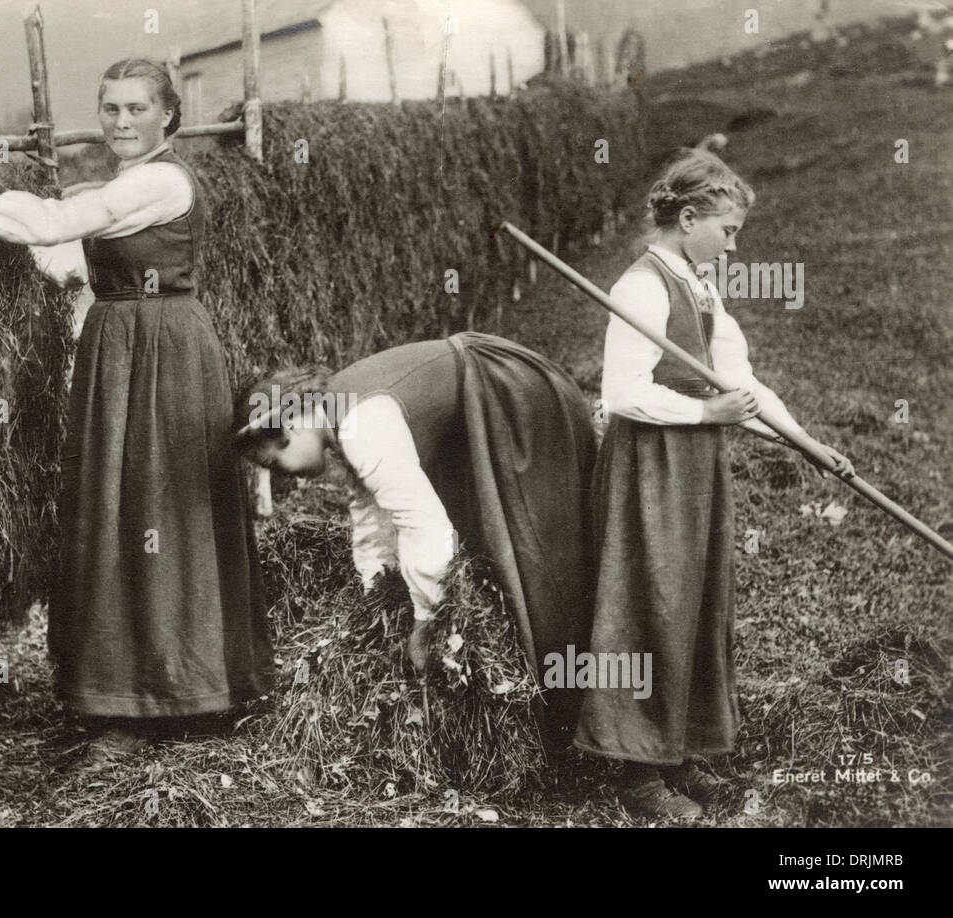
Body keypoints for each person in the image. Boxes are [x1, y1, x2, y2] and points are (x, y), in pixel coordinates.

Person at [0, 59, 274, 763]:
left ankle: (177, 694)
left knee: (162, 509)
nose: (122, 123)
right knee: (119, 507)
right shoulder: (129, 186)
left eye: (137, 109)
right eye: (110, 110)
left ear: (169, 116)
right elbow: (67, 247)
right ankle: (126, 693)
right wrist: (6, 235)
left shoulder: (161, 181)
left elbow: (65, 218)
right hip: (121, 347)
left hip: (164, 351)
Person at [573, 148, 853, 819]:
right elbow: (622, 393)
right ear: (689, 216)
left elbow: (741, 384)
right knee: (649, 604)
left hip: (696, 468)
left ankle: (680, 747)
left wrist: (805, 443)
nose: (733, 246)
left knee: (696, 602)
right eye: (727, 232)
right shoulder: (641, 287)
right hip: (651, 466)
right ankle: (636, 774)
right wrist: (706, 412)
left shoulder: (701, 287)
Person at [233, 332, 598, 734]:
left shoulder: (361, 425)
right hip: (479, 409)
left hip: (515, 396)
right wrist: (375, 601)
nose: (288, 477)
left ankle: (572, 711)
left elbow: (420, 522)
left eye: (278, 463)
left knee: (536, 550)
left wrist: (427, 621)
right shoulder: (338, 417)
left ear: (290, 425)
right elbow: (372, 517)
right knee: (479, 542)